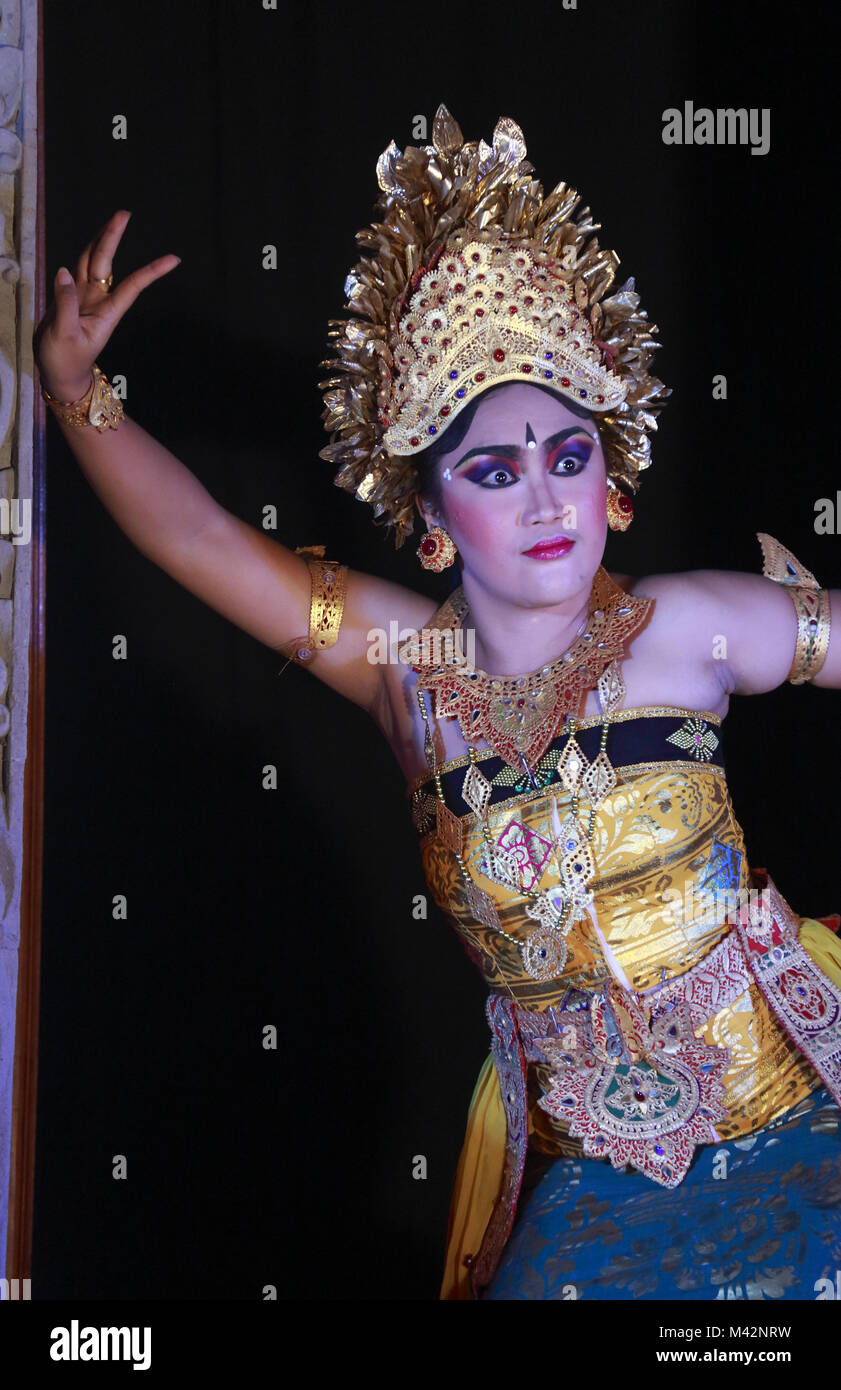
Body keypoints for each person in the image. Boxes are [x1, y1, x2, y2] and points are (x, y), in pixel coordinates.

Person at [34, 105, 841, 1303]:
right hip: (587, 1195)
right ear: (429, 509)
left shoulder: (689, 626)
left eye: (567, 458)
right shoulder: (399, 662)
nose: (542, 501)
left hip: (802, 1133)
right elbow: (201, 537)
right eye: (493, 471)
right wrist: (73, 391)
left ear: (610, 478)